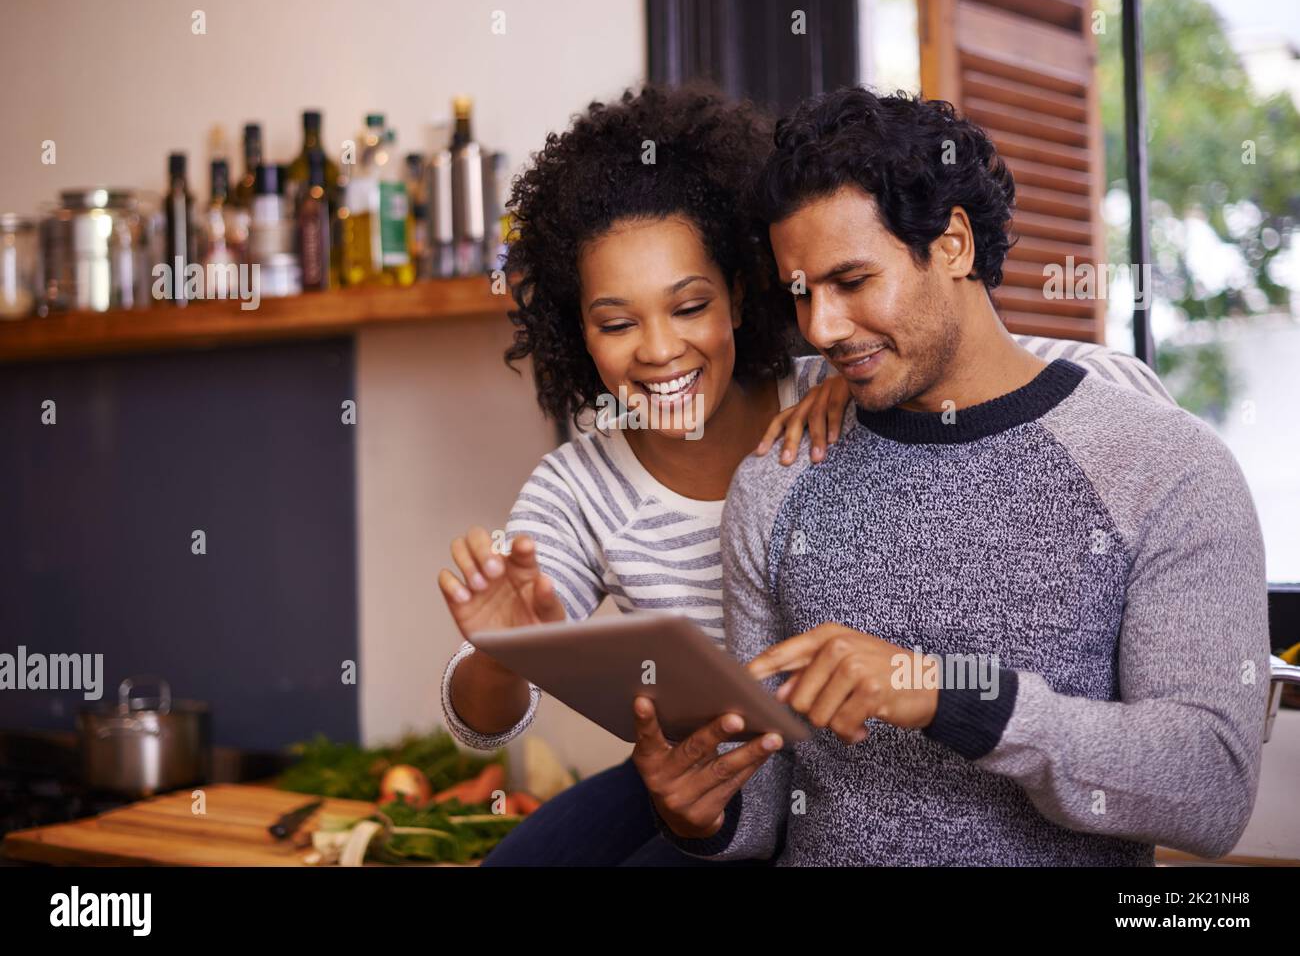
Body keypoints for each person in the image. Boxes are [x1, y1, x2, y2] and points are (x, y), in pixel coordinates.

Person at [438, 85, 1178, 866]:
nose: (657, 350)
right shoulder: (580, 487)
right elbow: (479, 722)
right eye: (617, 323)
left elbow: (1057, 379)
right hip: (717, 764)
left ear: (739, 296)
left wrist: (859, 385)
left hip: (861, 767)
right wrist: (505, 652)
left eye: (688, 307)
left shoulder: (853, 374)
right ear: (579, 332)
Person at [637, 86, 1270, 866]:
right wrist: (701, 814)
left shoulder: (1165, 467)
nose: (821, 328)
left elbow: (1212, 788)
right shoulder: (777, 481)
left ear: (955, 245)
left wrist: (952, 694)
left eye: (852, 282)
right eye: (802, 294)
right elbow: (765, 802)